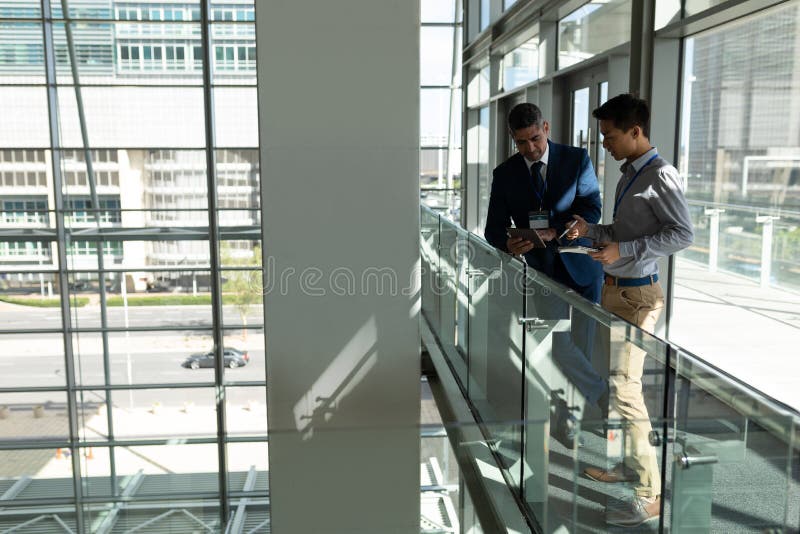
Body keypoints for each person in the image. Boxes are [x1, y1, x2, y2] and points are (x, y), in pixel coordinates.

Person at [566, 93, 694, 527]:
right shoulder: (628, 176)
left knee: (624, 389)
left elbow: (683, 234)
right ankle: (625, 465)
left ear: (635, 132)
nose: (605, 143)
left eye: (610, 135)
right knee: (617, 387)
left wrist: (627, 247)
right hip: (614, 290)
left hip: (639, 297)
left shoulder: (663, 176)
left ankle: (650, 494)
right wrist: (591, 231)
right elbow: (618, 233)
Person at [484, 103, 606, 445]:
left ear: (546, 128)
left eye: (535, 139)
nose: (531, 148)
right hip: (541, 270)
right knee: (556, 342)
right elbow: (493, 230)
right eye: (521, 143)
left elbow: (592, 207)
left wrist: (559, 231)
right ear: (513, 139)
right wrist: (512, 246)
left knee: (582, 345)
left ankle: (568, 421)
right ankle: (602, 394)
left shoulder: (576, 159)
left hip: (582, 266)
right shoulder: (504, 174)